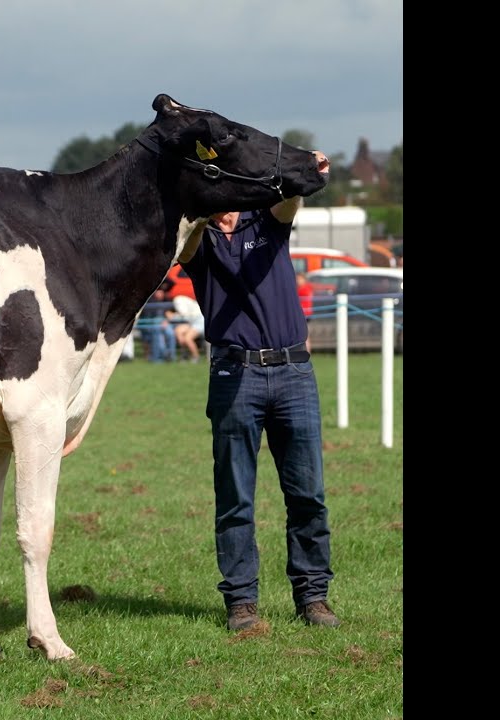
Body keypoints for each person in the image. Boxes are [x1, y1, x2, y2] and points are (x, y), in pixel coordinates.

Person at [179, 148, 340, 632]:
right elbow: (182, 245)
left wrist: (305, 169)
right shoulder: (197, 240)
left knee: (307, 493)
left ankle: (313, 598)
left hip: (294, 372)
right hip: (234, 375)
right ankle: (241, 603)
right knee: (235, 498)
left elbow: (291, 198)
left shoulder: (265, 222)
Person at [141, 285, 176, 363]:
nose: (159, 294)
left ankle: (171, 355)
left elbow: (169, 314)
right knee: (159, 335)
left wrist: (166, 320)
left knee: (171, 334)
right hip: (152, 324)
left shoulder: (166, 300)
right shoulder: (150, 301)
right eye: (158, 292)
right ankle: (163, 355)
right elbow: (148, 318)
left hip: (164, 323)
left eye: (161, 292)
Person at [171, 293, 205, 362]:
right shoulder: (180, 299)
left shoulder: (177, 300)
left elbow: (184, 314)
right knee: (178, 331)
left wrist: (173, 316)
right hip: (193, 321)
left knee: (188, 338)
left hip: (200, 321)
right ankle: (184, 355)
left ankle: (196, 357)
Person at [296, 272, 316, 352]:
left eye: (299, 279)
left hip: (305, 315)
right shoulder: (305, 288)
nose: (297, 281)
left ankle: (306, 352)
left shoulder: (304, 289)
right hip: (304, 314)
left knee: (305, 336)